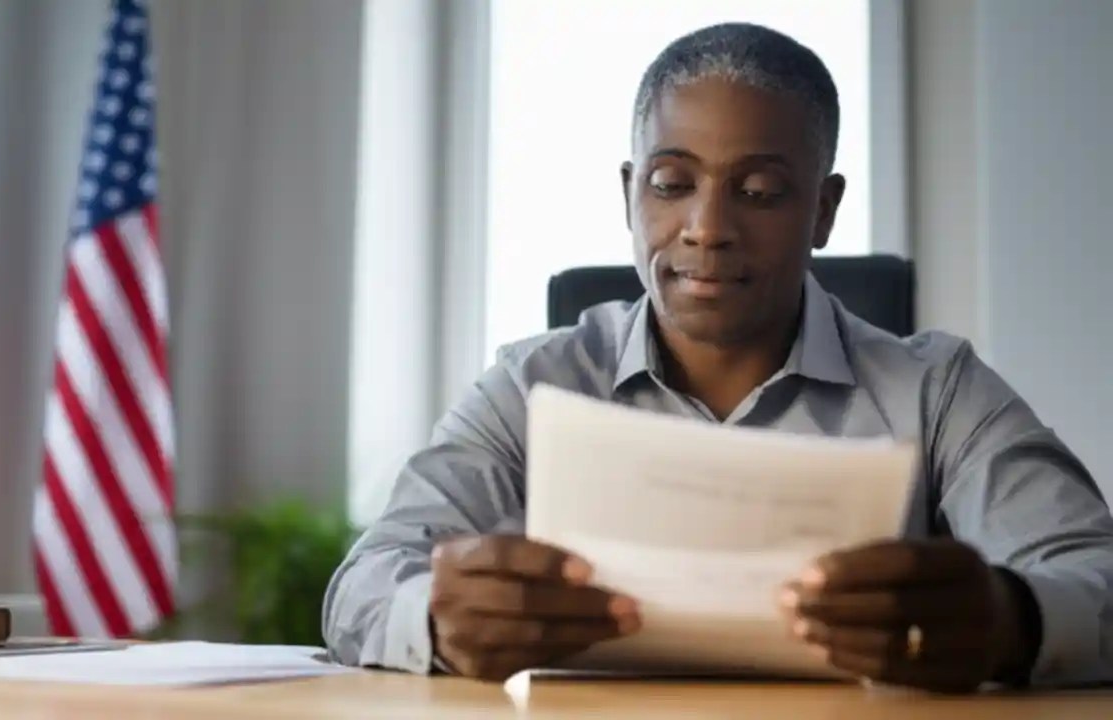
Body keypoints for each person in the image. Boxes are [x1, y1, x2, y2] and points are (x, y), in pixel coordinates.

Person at [322, 22, 1113, 692]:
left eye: (761, 191)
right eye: (671, 183)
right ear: (631, 195)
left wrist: (1010, 620)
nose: (707, 227)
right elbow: (365, 580)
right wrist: (437, 617)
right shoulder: (532, 386)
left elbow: (1094, 574)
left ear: (824, 211)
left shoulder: (937, 393)